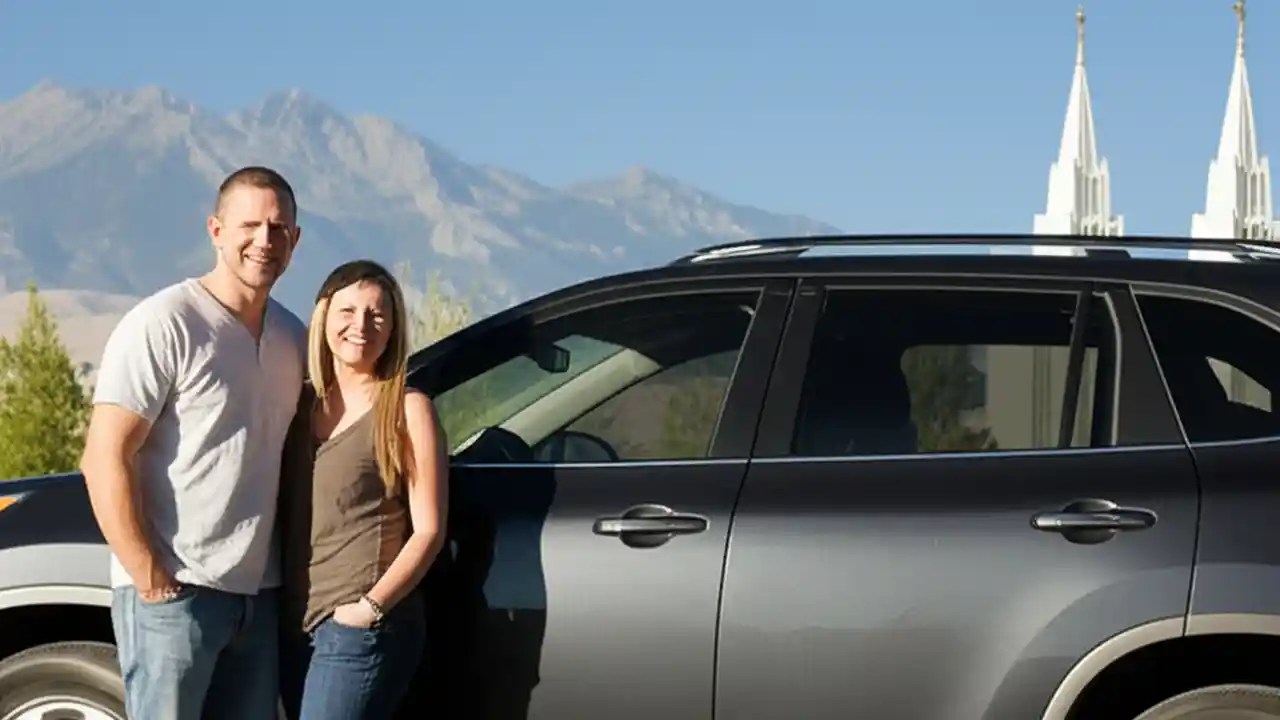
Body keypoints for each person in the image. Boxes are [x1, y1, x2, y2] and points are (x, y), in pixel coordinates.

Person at [79, 166, 307, 719]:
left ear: (295, 240)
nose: (264, 241)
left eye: (279, 229)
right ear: (216, 229)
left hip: (259, 597)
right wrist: (150, 577)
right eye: (249, 225)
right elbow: (104, 455)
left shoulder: (293, 337)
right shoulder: (165, 323)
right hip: (175, 593)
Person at [278, 259, 448, 719]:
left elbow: (429, 530)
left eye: (377, 315)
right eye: (347, 311)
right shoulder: (296, 403)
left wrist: (369, 608)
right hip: (290, 622)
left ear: (393, 328)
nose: (361, 326)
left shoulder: (407, 409)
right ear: (323, 318)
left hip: (358, 627)